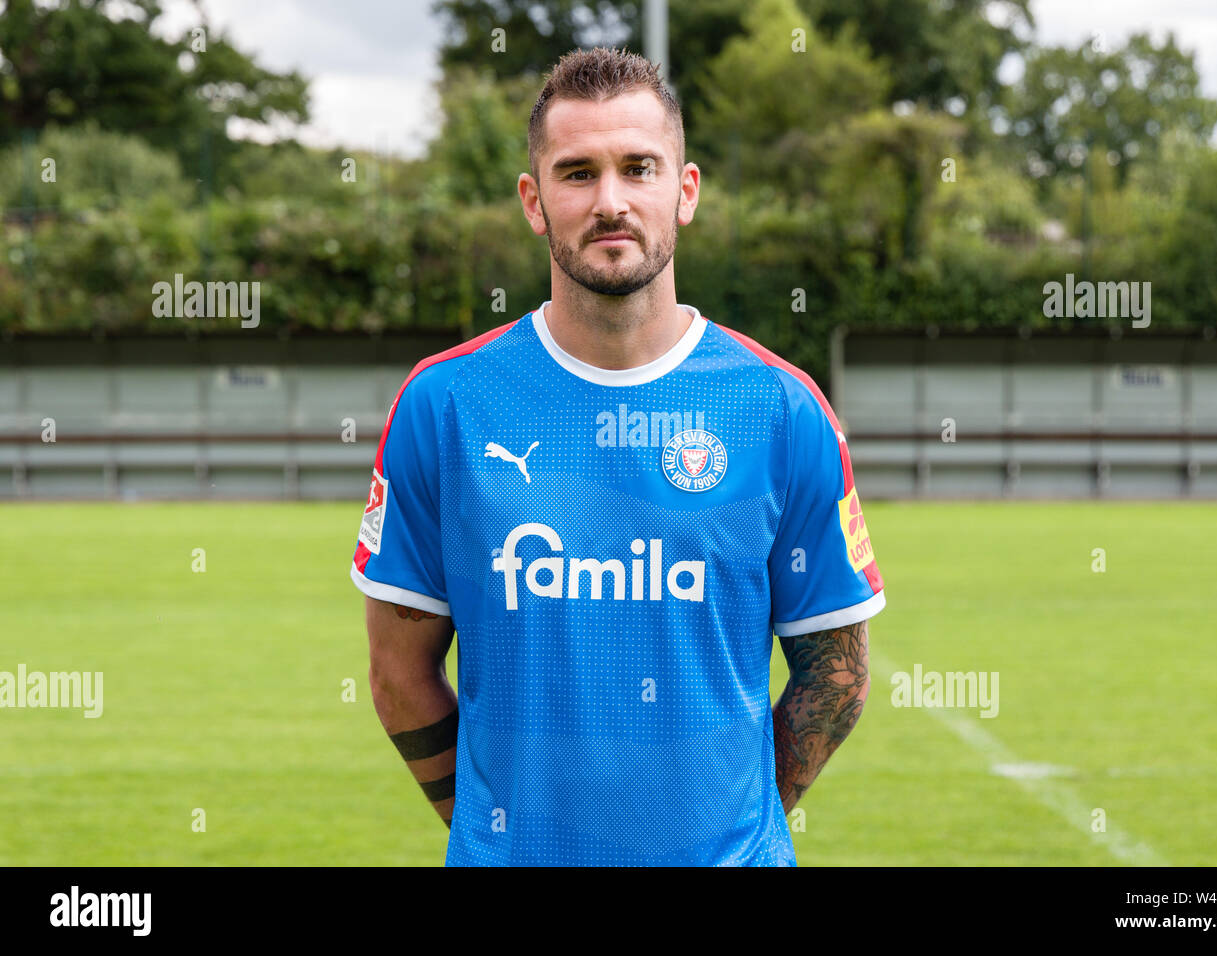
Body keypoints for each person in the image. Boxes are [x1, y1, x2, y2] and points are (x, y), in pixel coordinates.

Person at [350, 46, 885, 866]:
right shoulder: (442, 405)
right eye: (576, 173)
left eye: (639, 168)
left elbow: (837, 678)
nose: (611, 201)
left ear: (686, 190)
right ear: (534, 202)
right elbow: (396, 676)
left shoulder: (781, 408)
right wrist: (496, 831)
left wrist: (734, 832)